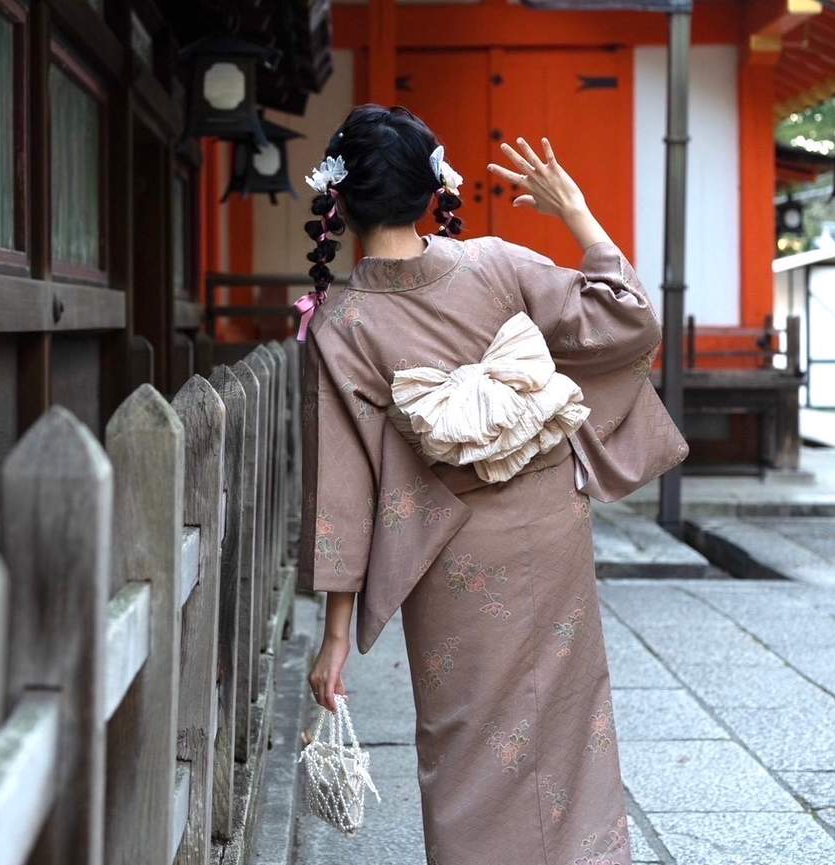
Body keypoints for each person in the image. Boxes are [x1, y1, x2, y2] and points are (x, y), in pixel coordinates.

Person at [296, 104, 687, 865]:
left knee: (463, 731)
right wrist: (574, 211)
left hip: (447, 547)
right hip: (547, 523)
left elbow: (342, 484)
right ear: (433, 189)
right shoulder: (498, 263)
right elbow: (632, 325)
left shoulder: (339, 322)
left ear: (336, 203)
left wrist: (334, 636)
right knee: (567, 717)